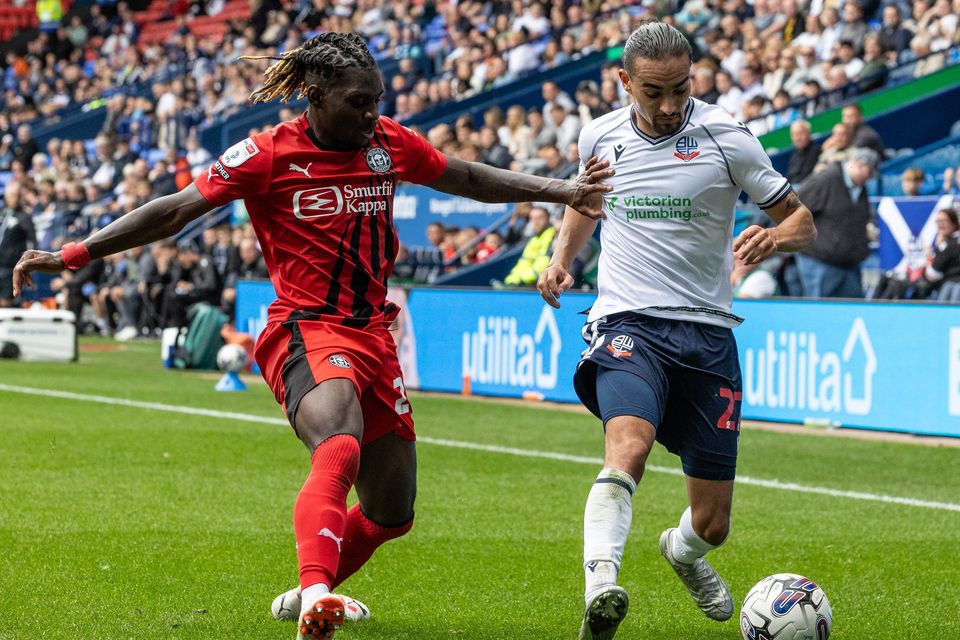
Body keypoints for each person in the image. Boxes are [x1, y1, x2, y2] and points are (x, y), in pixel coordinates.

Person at [12, 32, 611, 640]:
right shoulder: (267, 154)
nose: (371, 113)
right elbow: (174, 210)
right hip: (306, 328)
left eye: (376, 99)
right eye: (358, 102)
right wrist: (74, 253)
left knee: (390, 512)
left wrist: (561, 189)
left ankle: (306, 593)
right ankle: (318, 594)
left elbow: (463, 176)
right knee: (340, 442)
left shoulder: (387, 142)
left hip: (374, 334)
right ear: (315, 96)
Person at [535, 21, 815, 640]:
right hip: (627, 322)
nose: (667, 106)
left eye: (680, 89)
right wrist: (562, 259)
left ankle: (680, 551)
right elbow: (587, 203)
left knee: (712, 523)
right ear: (624, 82)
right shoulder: (600, 136)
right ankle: (600, 587)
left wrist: (775, 234)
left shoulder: (728, 136)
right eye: (653, 92)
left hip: (709, 334)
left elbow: (803, 220)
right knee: (627, 446)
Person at [795, 147, 877, 298]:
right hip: (820, 262)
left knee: (853, 316)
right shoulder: (826, 179)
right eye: (869, 172)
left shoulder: (860, 187)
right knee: (820, 315)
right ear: (859, 164)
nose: (870, 177)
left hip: (849, 265)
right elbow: (793, 209)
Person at [786, 119, 821, 186]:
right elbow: (790, 176)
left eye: (800, 133)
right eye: (794, 135)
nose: (798, 138)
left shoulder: (815, 150)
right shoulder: (794, 154)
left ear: (809, 133)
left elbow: (805, 177)